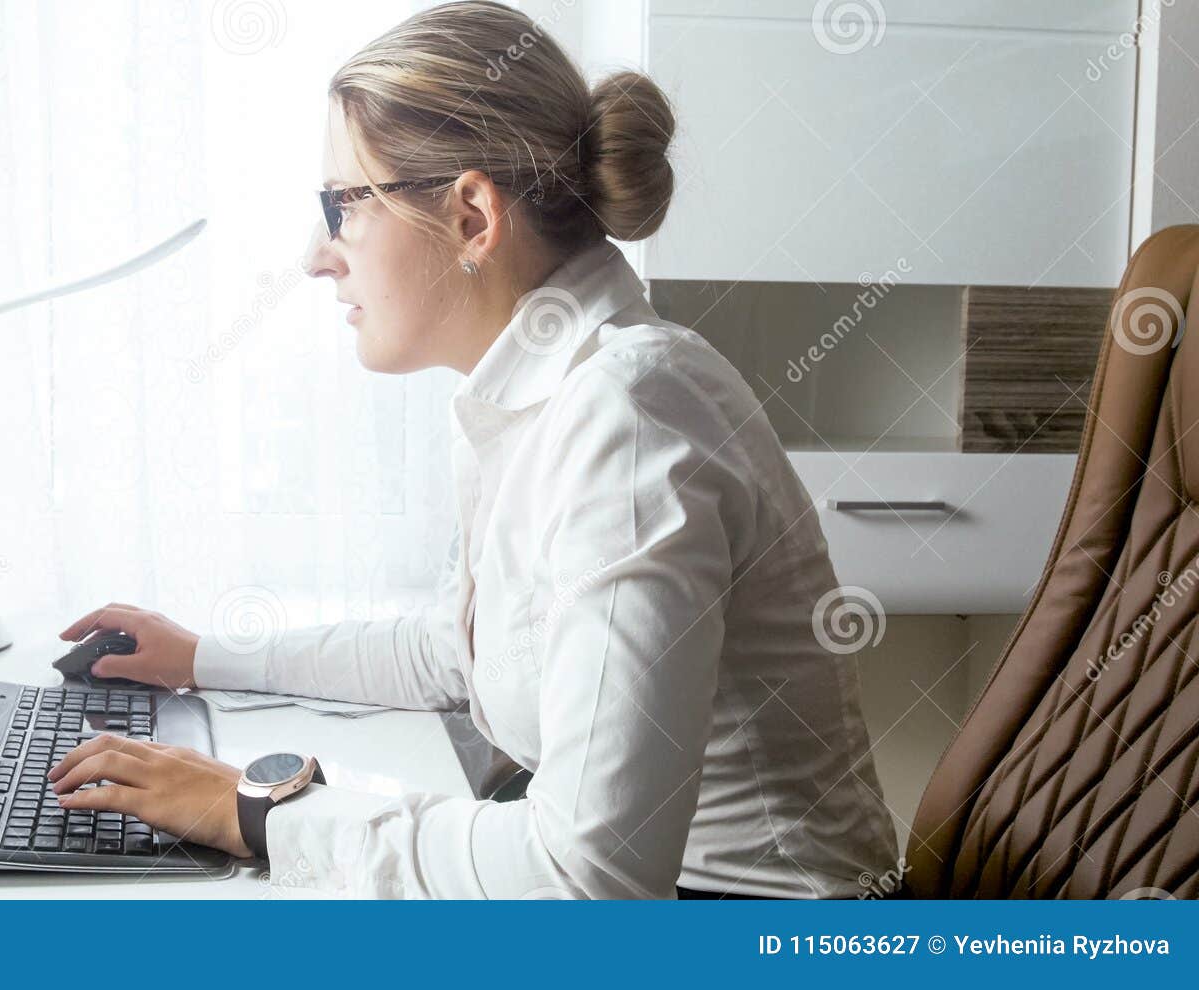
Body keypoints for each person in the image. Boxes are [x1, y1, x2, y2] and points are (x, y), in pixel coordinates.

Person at [47, 0, 898, 899]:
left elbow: (588, 881)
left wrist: (256, 813)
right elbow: (458, 657)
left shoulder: (630, 414)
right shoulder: (538, 396)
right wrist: (203, 658)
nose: (316, 256)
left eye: (342, 206)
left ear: (471, 218)